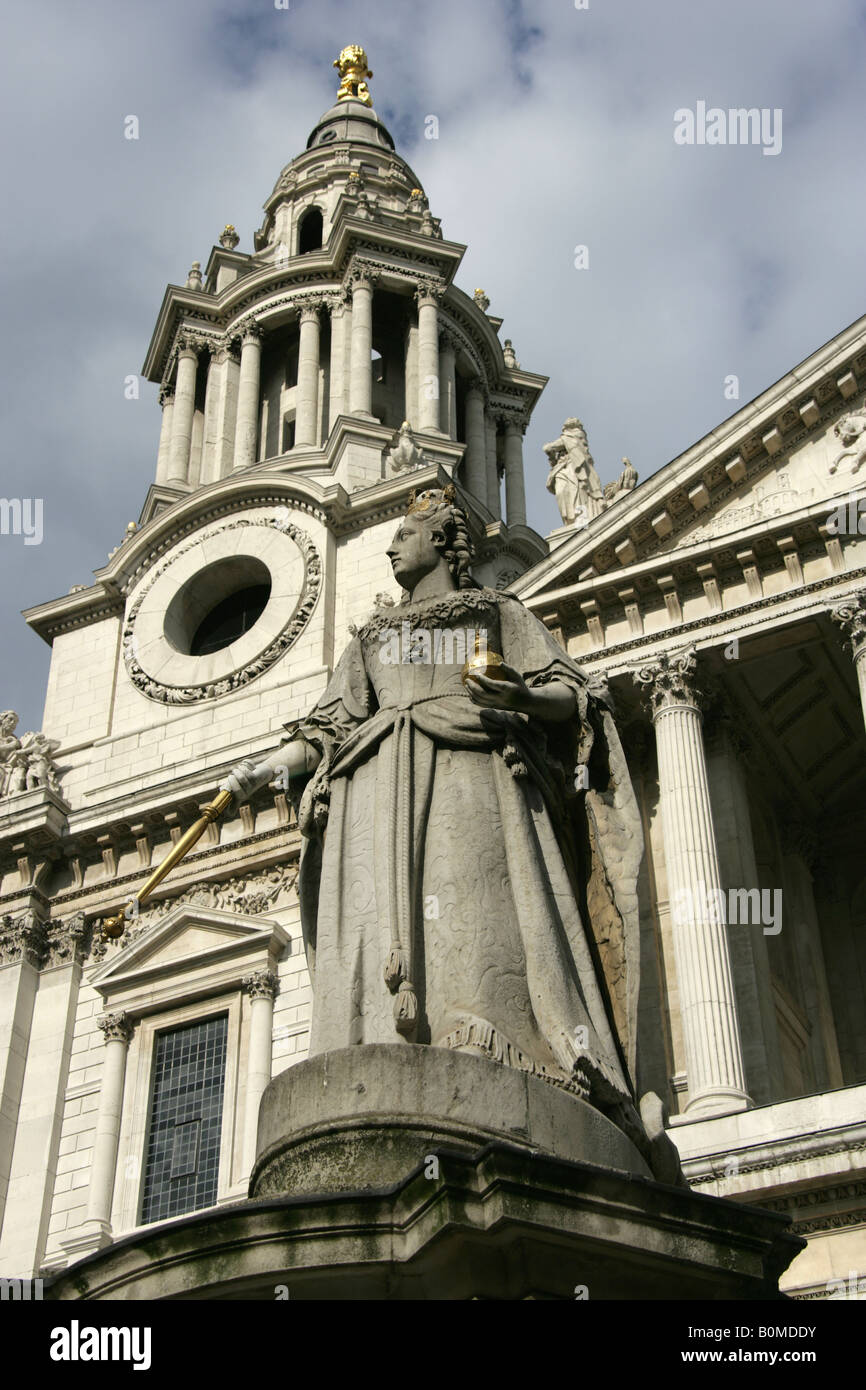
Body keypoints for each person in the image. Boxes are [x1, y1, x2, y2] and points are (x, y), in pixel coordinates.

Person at [225, 486, 676, 1171]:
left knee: (474, 915)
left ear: (441, 540)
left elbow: (572, 694)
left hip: (472, 779)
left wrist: (519, 697)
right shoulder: (370, 638)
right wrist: (265, 768)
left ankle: (502, 1049)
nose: (389, 545)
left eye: (405, 534)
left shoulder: (498, 613)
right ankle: (388, 1053)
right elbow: (327, 728)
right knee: (382, 928)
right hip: (374, 796)